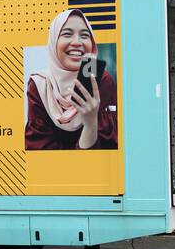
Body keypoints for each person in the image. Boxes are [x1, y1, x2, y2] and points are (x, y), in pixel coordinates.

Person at [25, 9, 117, 150]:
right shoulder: (40, 85)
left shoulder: (102, 81)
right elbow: (39, 152)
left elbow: (109, 154)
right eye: (67, 34)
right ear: (54, 41)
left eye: (85, 35)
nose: (76, 42)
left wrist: (90, 123)